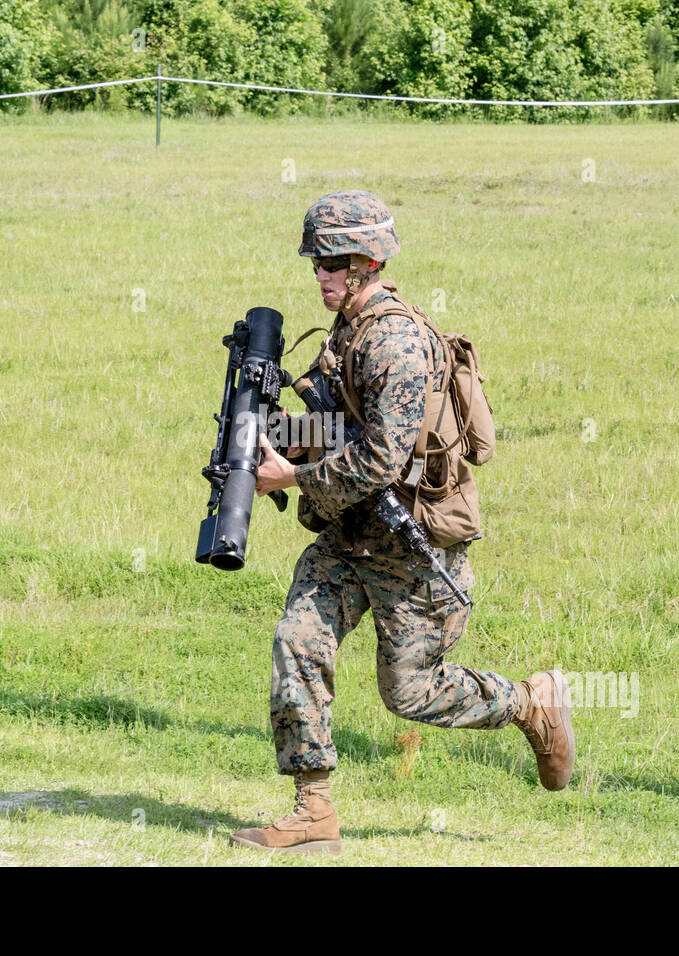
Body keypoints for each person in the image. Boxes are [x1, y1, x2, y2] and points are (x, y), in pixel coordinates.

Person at [227, 190, 575, 855]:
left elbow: (384, 458)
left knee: (410, 695)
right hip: (351, 534)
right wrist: (278, 437)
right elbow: (347, 426)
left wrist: (292, 477)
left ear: (367, 260)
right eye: (316, 264)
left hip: (413, 548)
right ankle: (312, 812)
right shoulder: (350, 328)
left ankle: (529, 703)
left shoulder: (395, 341)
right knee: (297, 641)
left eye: (331, 263)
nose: (320, 275)